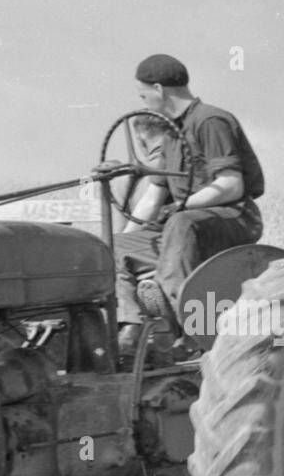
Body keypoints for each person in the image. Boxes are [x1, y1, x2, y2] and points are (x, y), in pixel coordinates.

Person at [96, 53, 264, 359]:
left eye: (143, 94)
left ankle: (188, 330)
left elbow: (231, 184)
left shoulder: (211, 121)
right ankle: (129, 327)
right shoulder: (171, 131)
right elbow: (152, 197)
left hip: (233, 218)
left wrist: (182, 206)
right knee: (114, 247)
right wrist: (123, 240)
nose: (144, 102)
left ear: (159, 90)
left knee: (179, 223)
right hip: (187, 226)